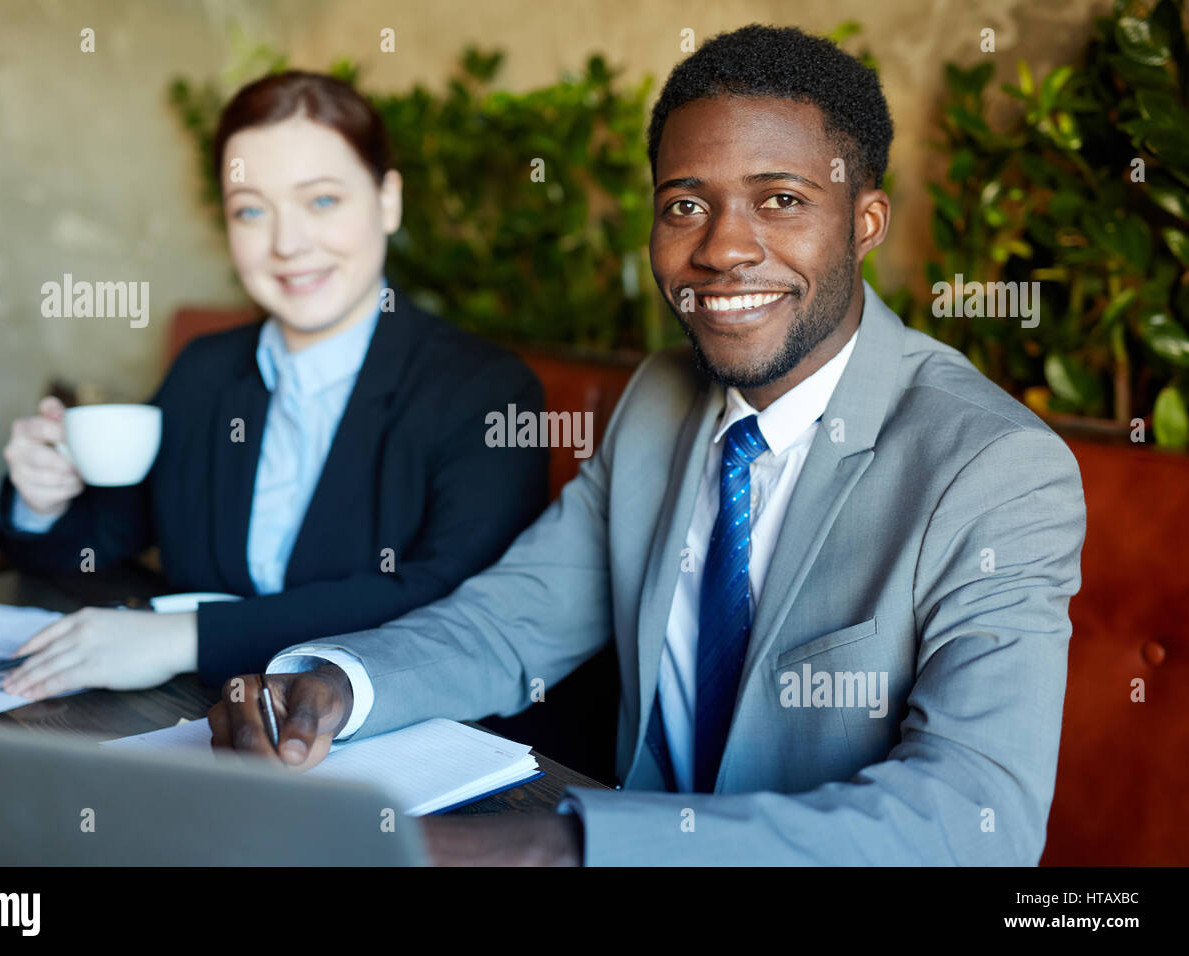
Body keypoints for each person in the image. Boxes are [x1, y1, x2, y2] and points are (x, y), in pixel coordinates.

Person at [209, 26, 1087, 866]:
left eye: (781, 200)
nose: (724, 248)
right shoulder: (659, 399)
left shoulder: (995, 469)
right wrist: (334, 682)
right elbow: (513, 622)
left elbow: (977, 817)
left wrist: (565, 848)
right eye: (686, 206)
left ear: (866, 221)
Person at [0, 71, 548, 699]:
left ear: (388, 200)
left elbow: (446, 602)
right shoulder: (206, 372)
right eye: (252, 210)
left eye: (321, 201)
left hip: (392, 749)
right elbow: (97, 545)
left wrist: (188, 636)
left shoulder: (485, 391)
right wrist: (41, 500)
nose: (288, 244)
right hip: (198, 722)